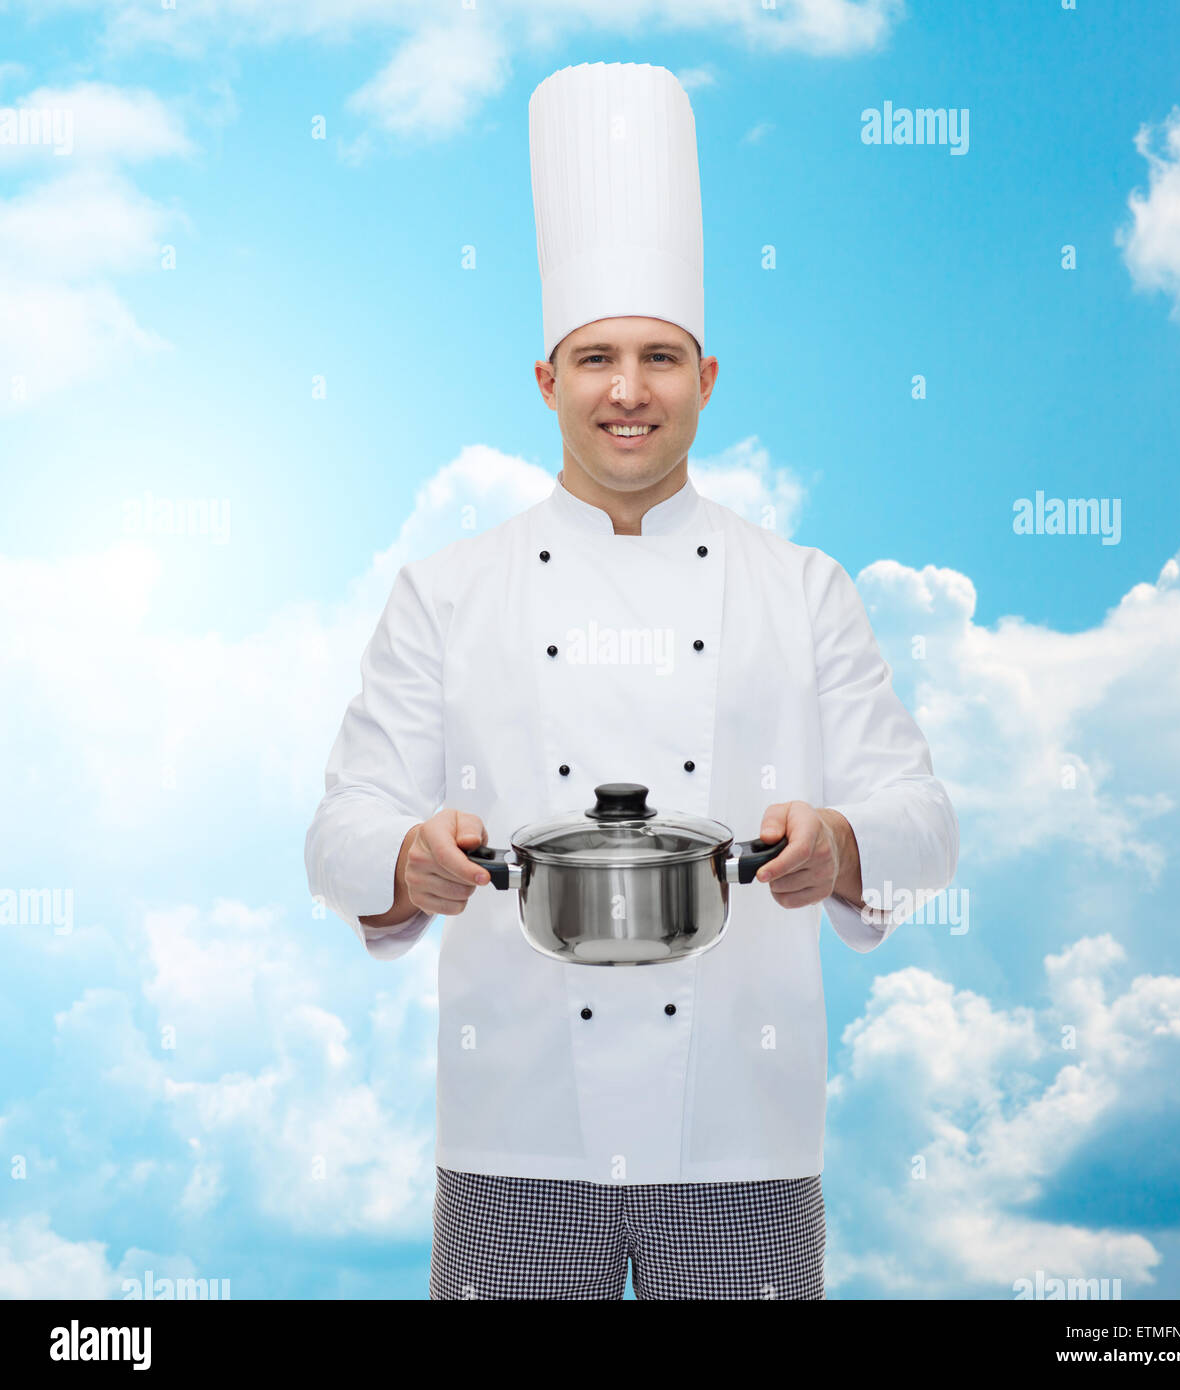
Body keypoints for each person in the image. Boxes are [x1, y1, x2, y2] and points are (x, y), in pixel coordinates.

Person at [305, 61, 959, 1301]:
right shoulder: (447, 591)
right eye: (594, 356)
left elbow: (925, 824)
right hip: (510, 1137)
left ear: (706, 380)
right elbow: (333, 829)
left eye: (660, 358)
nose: (626, 390)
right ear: (545, 382)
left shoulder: (801, 585)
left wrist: (845, 840)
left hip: (744, 1144)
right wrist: (401, 856)